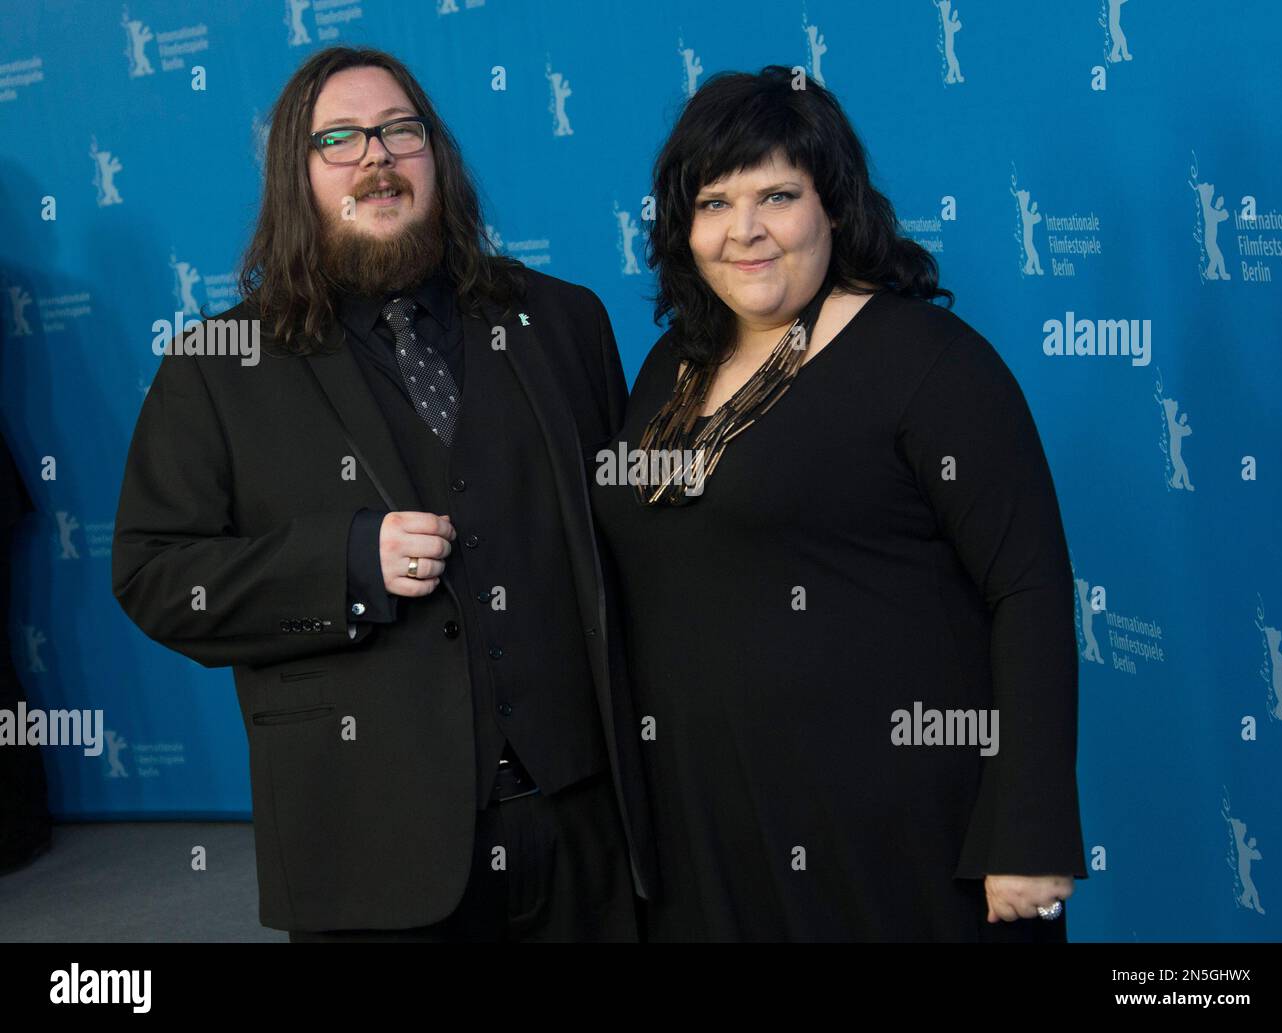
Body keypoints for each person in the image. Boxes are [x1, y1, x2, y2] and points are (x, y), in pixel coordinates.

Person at [112, 46, 655, 941]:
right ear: (298, 175)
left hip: (579, 835)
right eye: (341, 140)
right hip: (369, 848)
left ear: (436, 158)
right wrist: (345, 561)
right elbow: (153, 575)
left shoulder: (564, 321)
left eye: (400, 132)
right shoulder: (216, 366)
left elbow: (630, 555)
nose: (377, 158)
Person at [590, 66, 1087, 941]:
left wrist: (1029, 828)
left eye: (777, 195)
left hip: (892, 835)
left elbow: (1032, 590)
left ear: (834, 206)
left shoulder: (929, 363)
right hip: (705, 835)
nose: (745, 230)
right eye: (713, 202)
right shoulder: (669, 367)